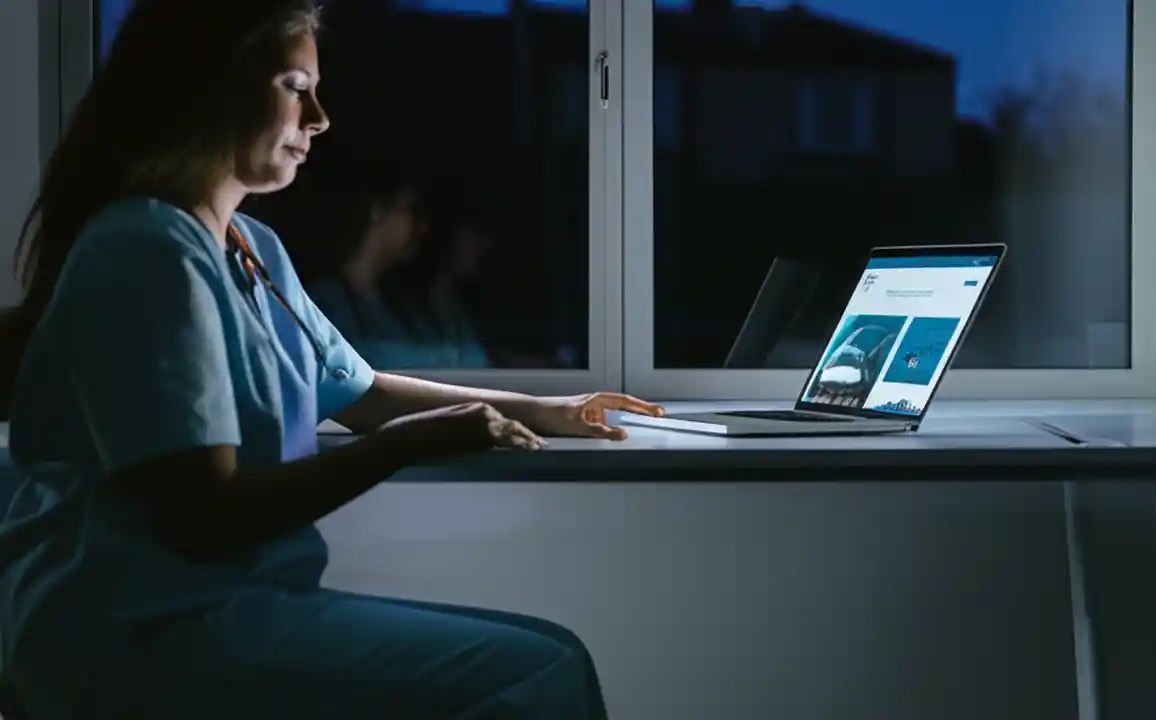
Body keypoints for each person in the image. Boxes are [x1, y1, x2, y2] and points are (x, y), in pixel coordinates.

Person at [0, 1, 662, 718]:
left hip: (238, 606)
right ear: (214, 87)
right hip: (141, 632)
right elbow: (203, 515)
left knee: (549, 655)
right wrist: (412, 443)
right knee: (540, 673)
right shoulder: (142, 250)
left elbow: (361, 391)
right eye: (296, 88)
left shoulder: (252, 248)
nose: (318, 119)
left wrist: (547, 409)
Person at [305, 180, 493, 369]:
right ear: (379, 210)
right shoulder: (324, 299)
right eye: (412, 211)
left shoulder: (400, 307)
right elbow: (346, 360)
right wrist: (452, 357)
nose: (422, 228)